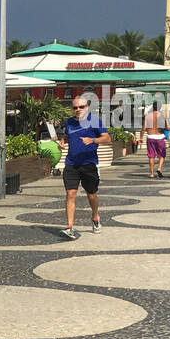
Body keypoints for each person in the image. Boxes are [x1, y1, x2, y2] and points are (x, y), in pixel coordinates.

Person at [60, 95, 110, 239]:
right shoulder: (69, 122)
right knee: (70, 194)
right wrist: (63, 141)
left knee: (91, 194)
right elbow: (68, 135)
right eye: (75, 107)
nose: (78, 110)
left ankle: (95, 218)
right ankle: (69, 227)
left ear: (87, 107)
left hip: (89, 164)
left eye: (81, 107)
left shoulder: (94, 121)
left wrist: (93, 139)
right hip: (71, 164)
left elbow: (107, 138)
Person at [143, 101, 167, 179]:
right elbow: (167, 127)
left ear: (153, 107)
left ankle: (152, 173)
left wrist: (140, 137)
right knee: (162, 155)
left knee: (151, 156)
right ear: (160, 107)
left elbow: (144, 128)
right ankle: (159, 168)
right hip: (160, 137)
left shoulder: (148, 116)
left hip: (150, 137)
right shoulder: (162, 116)